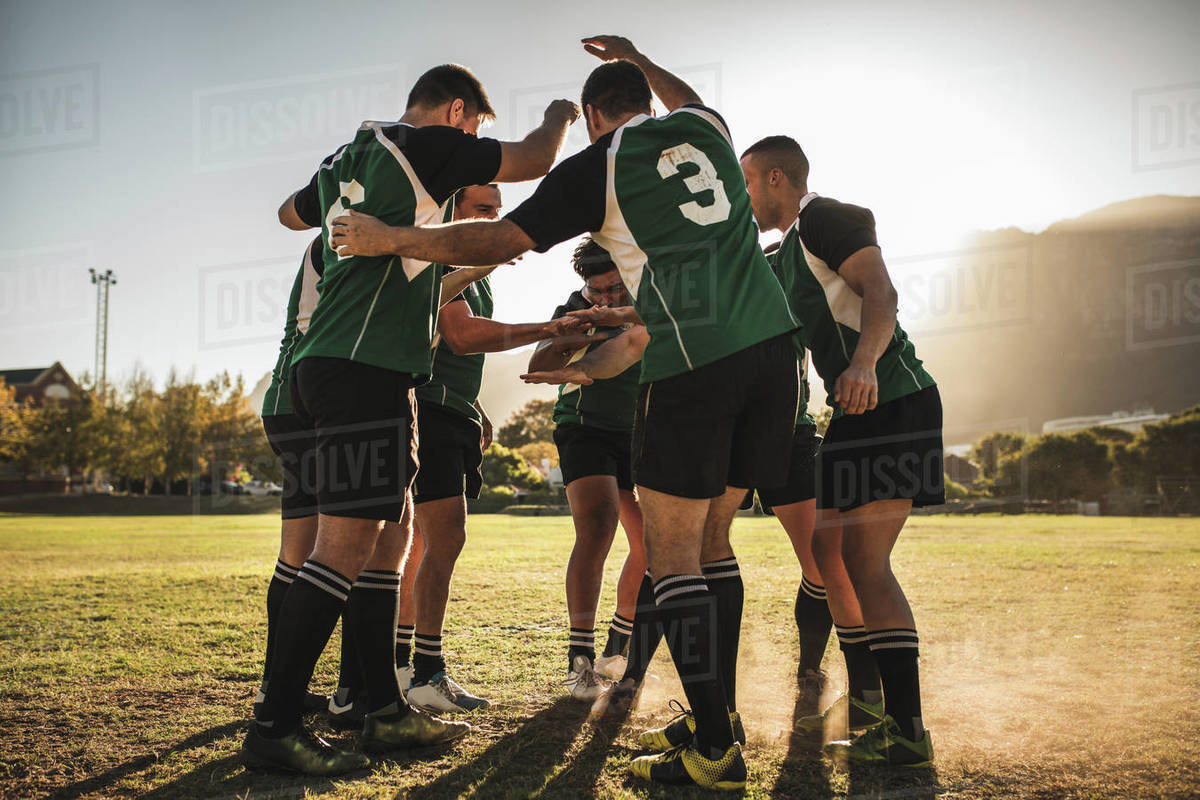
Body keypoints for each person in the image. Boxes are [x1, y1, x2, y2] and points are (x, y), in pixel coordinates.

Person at [329, 36, 801, 791]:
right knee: (715, 546)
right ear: (647, 100)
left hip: (695, 358)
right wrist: (643, 55)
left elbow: (497, 235)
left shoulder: (600, 165)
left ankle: (715, 750)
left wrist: (397, 238)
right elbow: (684, 96)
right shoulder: (706, 127)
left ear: (588, 118)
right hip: (777, 355)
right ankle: (724, 718)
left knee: (674, 555)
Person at [242, 62, 581, 776]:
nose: (473, 148)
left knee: (391, 541)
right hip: (361, 369)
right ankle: (274, 726)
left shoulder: (350, 159)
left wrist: (364, 215)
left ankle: (382, 711)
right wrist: (559, 115)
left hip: (352, 366)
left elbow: (287, 215)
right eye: (474, 131)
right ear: (459, 113)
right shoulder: (425, 145)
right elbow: (538, 159)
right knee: (342, 548)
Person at [740, 134, 943, 767]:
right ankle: (873, 702)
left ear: (777, 179)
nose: (742, 198)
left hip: (891, 398)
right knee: (830, 552)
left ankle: (904, 727)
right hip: (855, 414)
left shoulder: (826, 217)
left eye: (745, 183)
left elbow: (881, 292)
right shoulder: (785, 258)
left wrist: (863, 364)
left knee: (866, 562)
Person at [403, 184, 589, 714]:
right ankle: (424, 672)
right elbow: (462, 337)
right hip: (429, 413)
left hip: (450, 411)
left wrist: (477, 408)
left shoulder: (471, 276)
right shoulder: (438, 261)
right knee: (439, 540)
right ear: (451, 213)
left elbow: (450, 353)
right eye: (483, 209)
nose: (494, 218)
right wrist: (546, 328)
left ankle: (402, 668)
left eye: (498, 210)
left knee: (417, 547)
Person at [526, 237, 646, 701]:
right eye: (600, 291)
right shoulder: (573, 309)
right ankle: (580, 661)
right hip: (585, 425)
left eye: (616, 288)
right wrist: (576, 335)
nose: (608, 299)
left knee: (651, 544)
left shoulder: (649, 300)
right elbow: (539, 363)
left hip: (640, 429)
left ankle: (617, 651)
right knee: (597, 529)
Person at [254, 236, 328, 720]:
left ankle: (276, 688)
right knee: (313, 554)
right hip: (303, 405)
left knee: (299, 556)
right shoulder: (344, 234)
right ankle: (279, 691)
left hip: (295, 402)